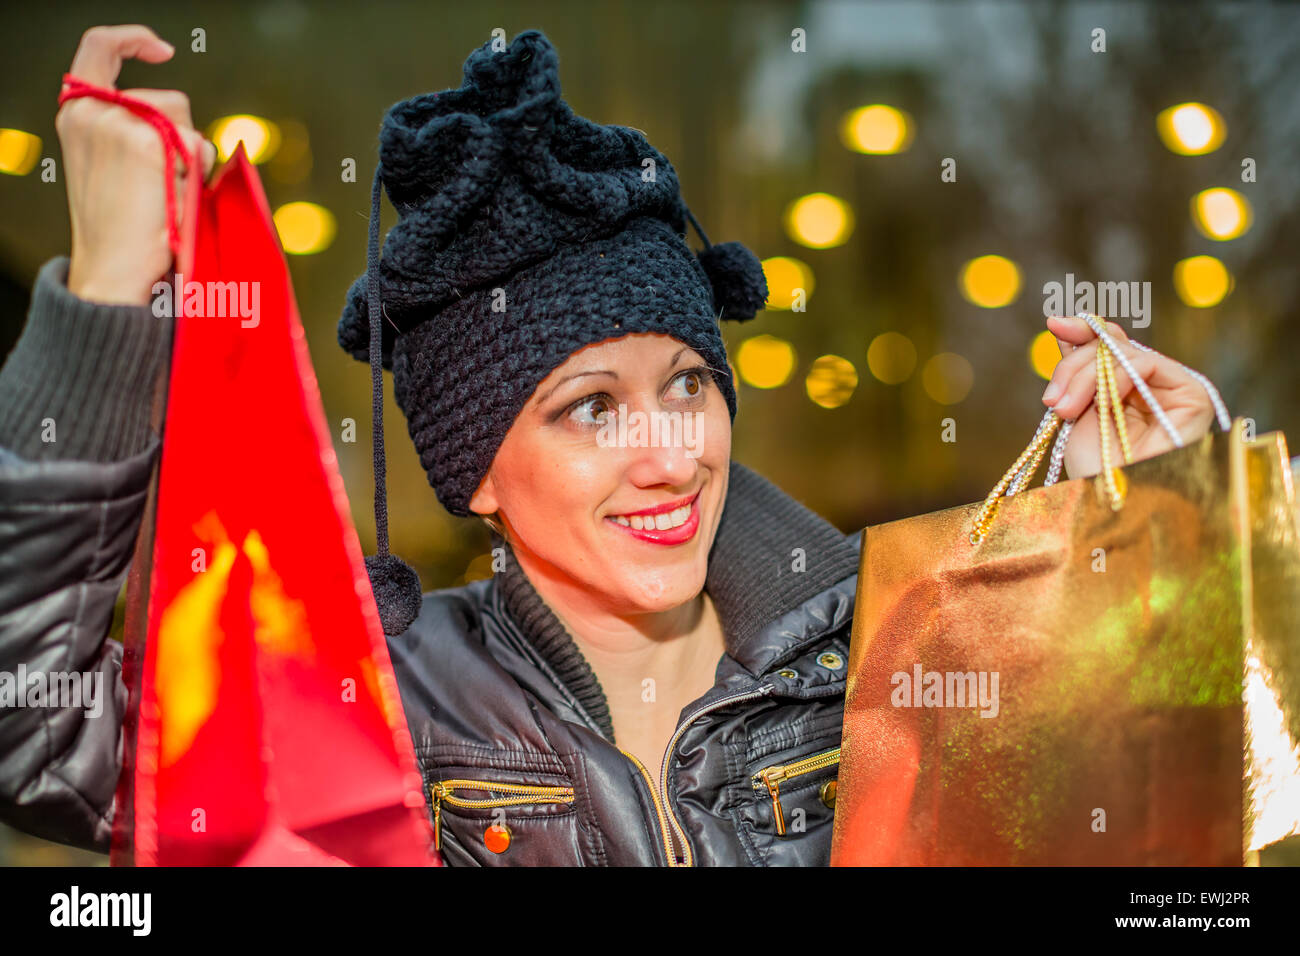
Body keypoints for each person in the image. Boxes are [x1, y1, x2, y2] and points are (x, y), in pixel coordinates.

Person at [0, 24, 1219, 866]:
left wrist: (1166, 512)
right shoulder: (370, 704)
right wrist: (109, 292)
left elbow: (1178, 778)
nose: (671, 452)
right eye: (590, 405)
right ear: (474, 468)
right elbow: (31, 721)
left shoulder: (901, 651)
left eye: (689, 383)